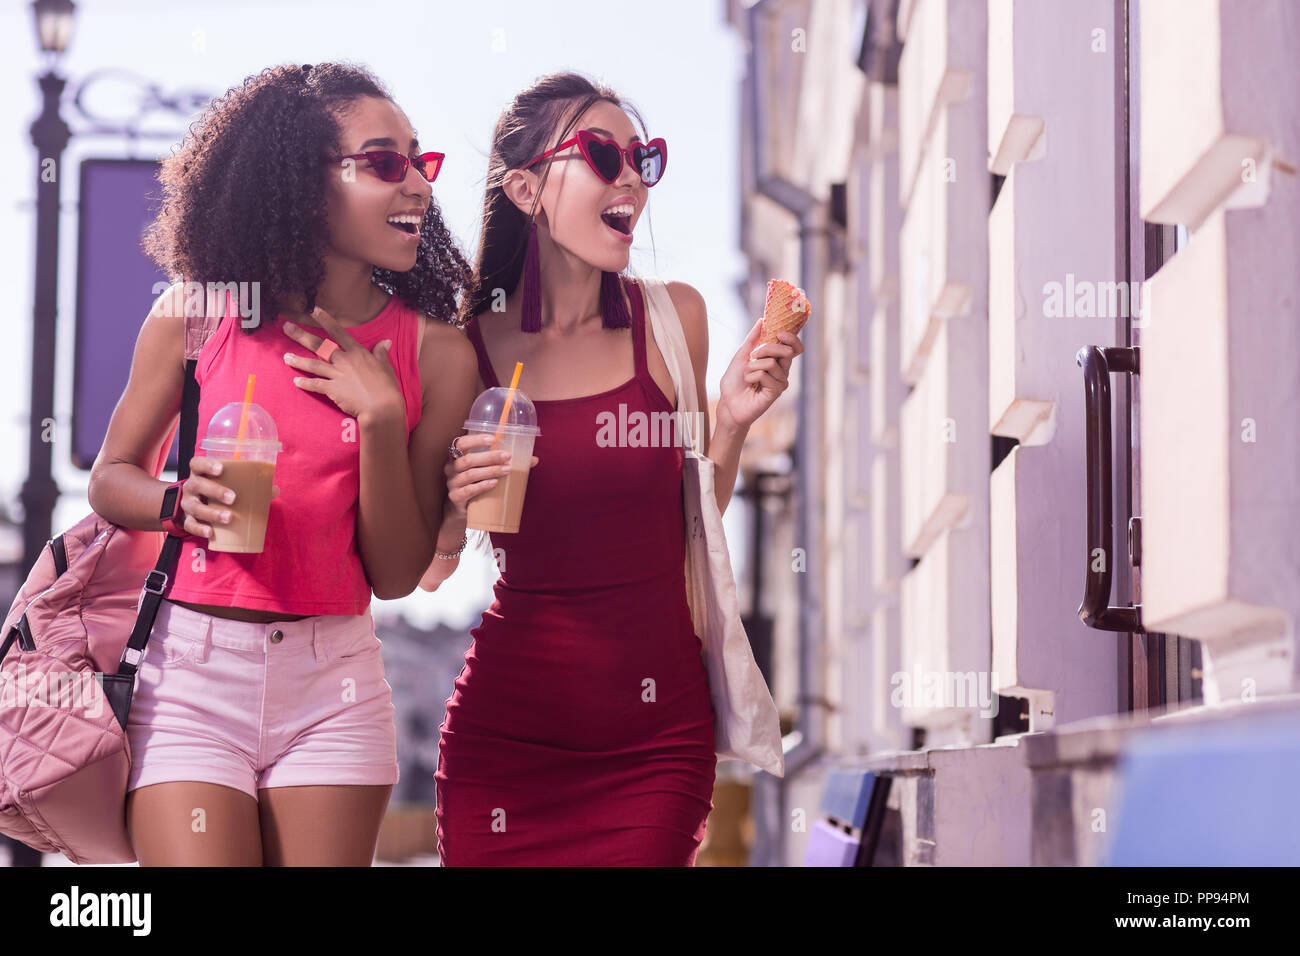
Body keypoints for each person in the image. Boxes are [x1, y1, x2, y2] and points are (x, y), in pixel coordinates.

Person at [87, 62, 476, 865]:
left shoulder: (437, 356)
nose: (418, 187)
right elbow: (109, 476)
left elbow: (396, 573)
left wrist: (381, 416)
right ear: (302, 184)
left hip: (333, 683)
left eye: (419, 161)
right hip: (189, 678)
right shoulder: (196, 314)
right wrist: (173, 504)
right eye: (383, 162)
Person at [429, 72, 803, 865]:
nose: (631, 175)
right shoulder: (467, 353)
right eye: (603, 154)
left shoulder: (675, 320)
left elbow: (691, 518)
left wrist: (730, 420)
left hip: (654, 738)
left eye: (643, 158)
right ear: (527, 187)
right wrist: (453, 509)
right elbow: (428, 572)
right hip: (506, 741)